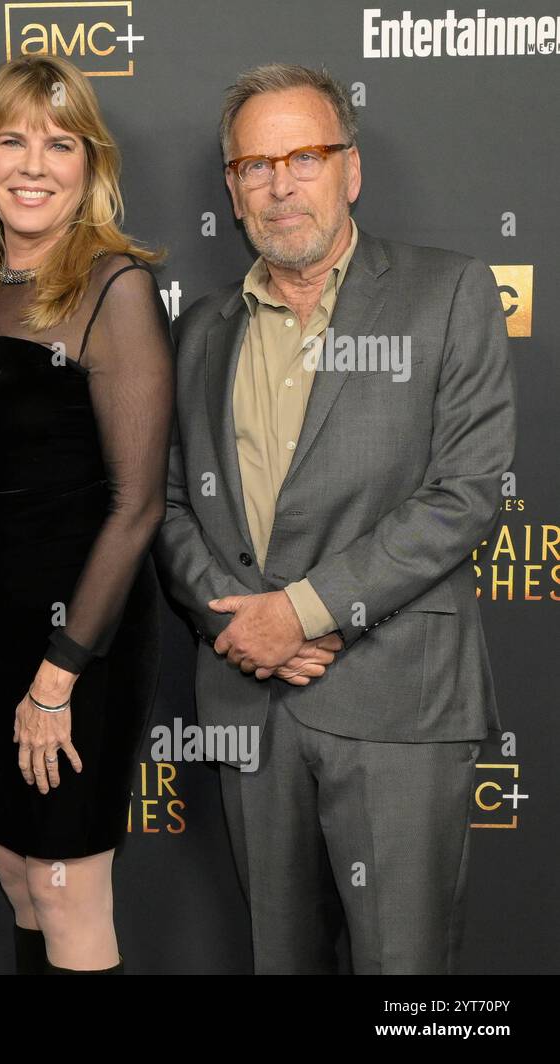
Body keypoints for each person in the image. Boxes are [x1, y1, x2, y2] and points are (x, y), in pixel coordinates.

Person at [154, 63, 516, 973]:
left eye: (306, 156)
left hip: (399, 701)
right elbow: (167, 506)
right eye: (255, 166)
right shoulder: (201, 329)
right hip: (249, 703)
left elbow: (466, 491)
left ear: (350, 170)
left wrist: (303, 611)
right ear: (232, 189)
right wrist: (241, 625)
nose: (282, 185)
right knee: (281, 958)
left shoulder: (449, 293)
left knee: (407, 971)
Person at [0, 55, 172, 974]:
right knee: (16, 871)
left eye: (60, 144)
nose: (33, 163)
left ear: (91, 167)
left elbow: (138, 507)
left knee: (68, 893)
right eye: (11, 139)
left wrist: (57, 677)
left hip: (78, 646)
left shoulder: (114, 288)